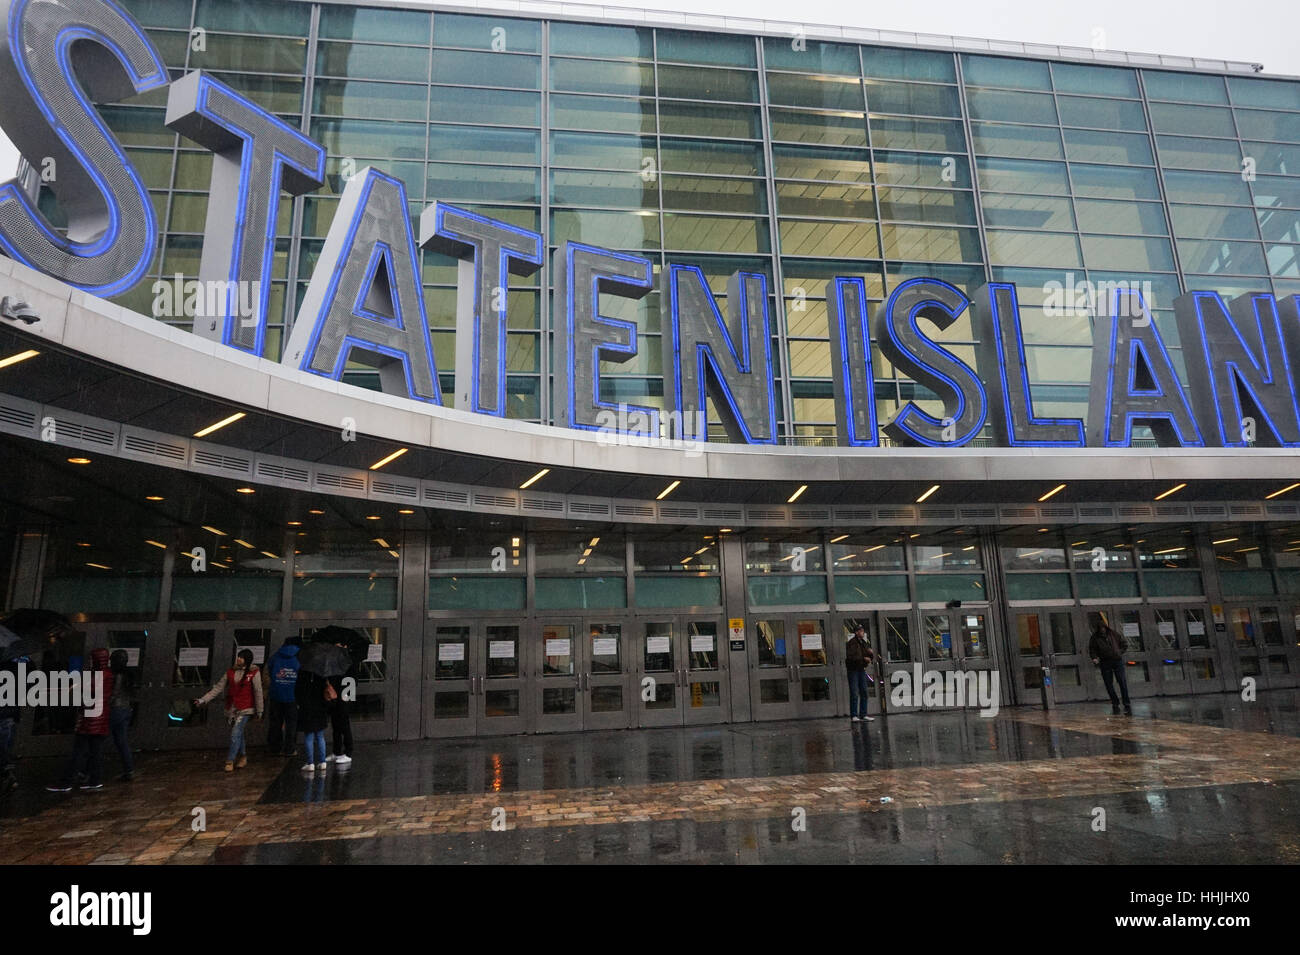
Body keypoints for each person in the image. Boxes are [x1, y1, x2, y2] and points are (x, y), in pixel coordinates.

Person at [46, 647, 114, 792]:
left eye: (91, 659)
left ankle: (67, 782)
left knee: (78, 752)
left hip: (90, 720)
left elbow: (89, 691)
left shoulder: (98, 676)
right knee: (95, 752)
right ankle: (94, 780)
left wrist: (77, 686)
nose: (89, 661)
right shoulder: (106, 674)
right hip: (100, 720)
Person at [193, 649, 264, 772]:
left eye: (241, 657)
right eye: (238, 657)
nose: (238, 659)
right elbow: (218, 688)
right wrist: (203, 700)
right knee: (239, 733)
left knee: (235, 733)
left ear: (246, 659)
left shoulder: (254, 672)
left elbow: (258, 691)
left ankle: (230, 760)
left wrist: (260, 710)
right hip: (232, 708)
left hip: (246, 708)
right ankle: (242, 756)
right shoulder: (230, 672)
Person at [1089, 616, 1133, 716]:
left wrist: (1119, 652)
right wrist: (1095, 658)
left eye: (1103, 628)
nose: (1102, 630)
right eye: (1100, 629)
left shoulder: (1113, 634)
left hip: (1117, 660)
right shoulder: (1095, 638)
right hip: (1105, 661)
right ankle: (1115, 702)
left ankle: (1126, 702)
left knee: (1122, 681)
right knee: (1108, 683)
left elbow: (1124, 644)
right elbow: (1092, 649)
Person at [327, 635, 359, 769]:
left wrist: (346, 695)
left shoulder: (350, 660)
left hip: (346, 692)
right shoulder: (334, 659)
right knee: (335, 722)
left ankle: (348, 751)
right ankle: (336, 750)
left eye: (339, 644)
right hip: (336, 693)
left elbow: (352, 678)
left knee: (344, 721)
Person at [266, 636, 301, 757]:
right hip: (292, 695)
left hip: (276, 694)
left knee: (275, 722)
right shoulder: (300, 657)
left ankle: (275, 747)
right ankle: (289, 749)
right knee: (291, 724)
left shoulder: (275, 656)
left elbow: (270, 672)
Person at [295, 659, 331, 776]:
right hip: (319, 708)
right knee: (320, 736)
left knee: (309, 736)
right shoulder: (321, 674)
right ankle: (322, 761)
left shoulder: (302, 672)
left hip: (306, 708)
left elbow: (297, 691)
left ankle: (310, 763)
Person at [108, 649, 136, 781]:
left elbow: (114, 693)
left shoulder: (117, 675)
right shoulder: (129, 675)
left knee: (97, 740)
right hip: (126, 709)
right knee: (122, 741)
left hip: (115, 710)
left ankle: (87, 771)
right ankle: (129, 770)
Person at [845, 624, 876, 723]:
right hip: (853, 670)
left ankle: (863, 714)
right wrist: (864, 658)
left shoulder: (863, 642)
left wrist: (871, 654)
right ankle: (854, 715)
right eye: (861, 631)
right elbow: (852, 657)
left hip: (861, 669)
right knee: (854, 693)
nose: (862, 632)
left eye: (863, 630)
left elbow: (868, 654)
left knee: (864, 692)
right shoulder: (852, 643)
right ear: (856, 632)